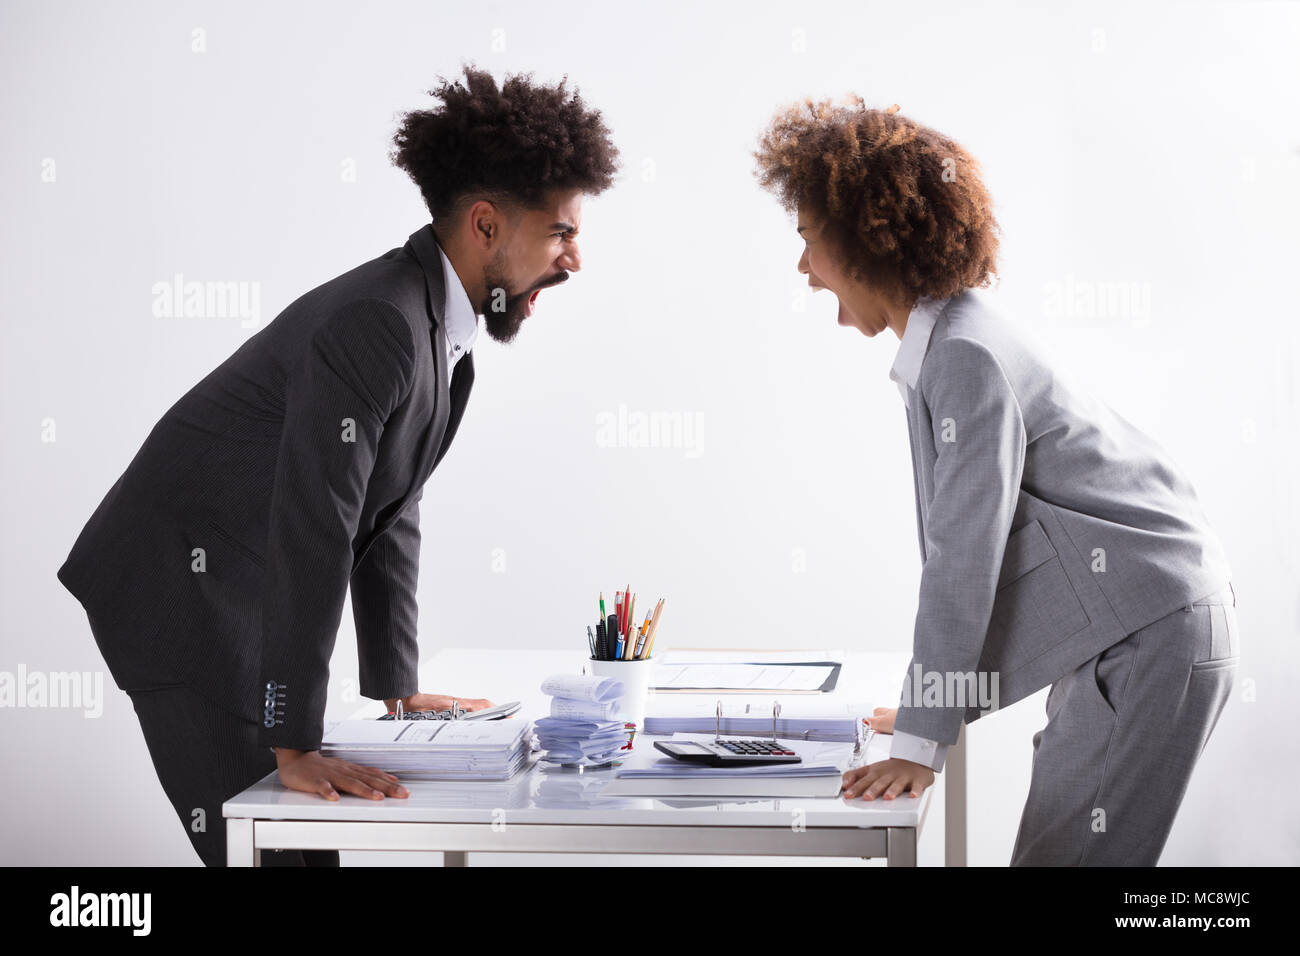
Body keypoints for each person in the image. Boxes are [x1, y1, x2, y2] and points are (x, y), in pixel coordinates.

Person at [57, 65, 620, 866]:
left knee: (299, 841)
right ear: (487, 225)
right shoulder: (381, 323)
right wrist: (296, 739)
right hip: (173, 593)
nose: (574, 259)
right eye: (562, 232)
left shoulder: (440, 332)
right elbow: (317, 523)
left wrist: (395, 680)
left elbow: (388, 509)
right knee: (277, 844)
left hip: (249, 582)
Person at [752, 97, 1239, 865]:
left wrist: (921, 737)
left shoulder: (964, 356)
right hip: (1145, 629)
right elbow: (1009, 562)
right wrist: (926, 712)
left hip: (1152, 633)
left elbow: (964, 564)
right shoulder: (956, 340)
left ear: (864, 242)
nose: (804, 269)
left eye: (810, 242)